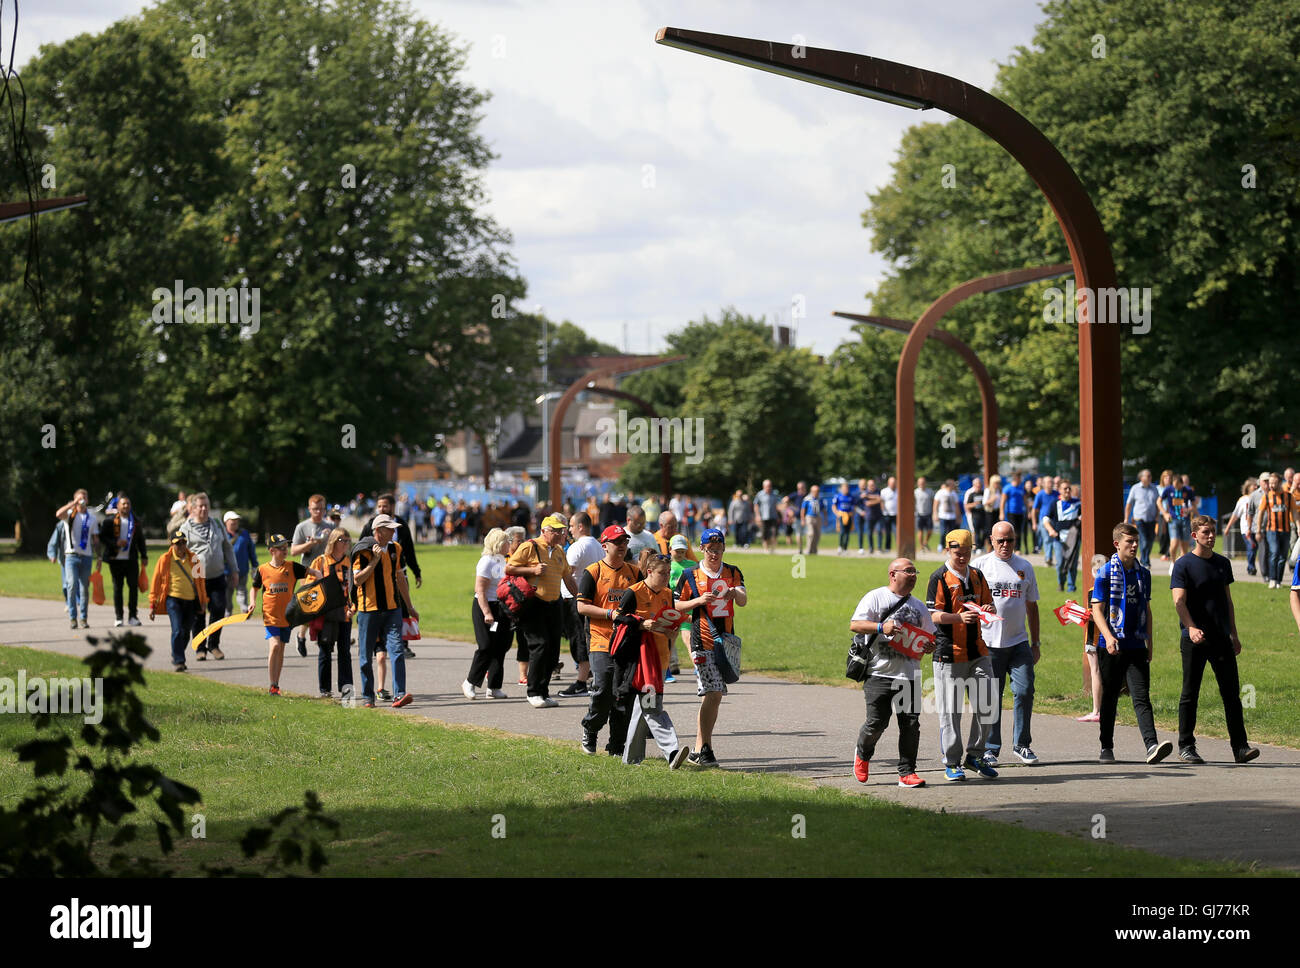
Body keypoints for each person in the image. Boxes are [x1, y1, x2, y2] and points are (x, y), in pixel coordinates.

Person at [1170, 515, 1258, 764]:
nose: (1211, 536)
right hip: (1195, 639)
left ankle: (1240, 748)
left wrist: (1234, 634)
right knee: (1190, 693)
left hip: (1221, 638)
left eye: (1213, 532)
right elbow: (1179, 601)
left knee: (1231, 694)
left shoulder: (1222, 563)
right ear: (1194, 535)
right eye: (1206, 532)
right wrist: (1190, 628)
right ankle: (1186, 746)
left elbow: (1227, 601)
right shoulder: (1183, 564)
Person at [849, 557, 935, 788]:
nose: (913, 574)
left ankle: (907, 773)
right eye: (908, 571)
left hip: (908, 675)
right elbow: (855, 624)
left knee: (910, 724)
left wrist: (929, 646)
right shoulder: (876, 597)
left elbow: (930, 636)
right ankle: (862, 754)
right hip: (878, 673)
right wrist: (881, 627)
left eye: (915, 571)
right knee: (876, 723)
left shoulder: (918, 606)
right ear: (892, 574)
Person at [1091, 522, 1172, 764]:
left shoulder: (1143, 574)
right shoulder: (1105, 573)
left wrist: (1150, 643)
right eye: (1130, 542)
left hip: (1137, 644)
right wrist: (1109, 635)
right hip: (1111, 646)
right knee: (1110, 697)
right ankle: (1106, 747)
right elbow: (1097, 610)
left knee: (1141, 696)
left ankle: (1152, 745)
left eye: (1136, 541)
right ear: (1117, 544)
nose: (1135, 545)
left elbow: (1147, 609)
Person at [615, 554, 707, 768]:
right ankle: (672, 752)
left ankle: (630, 759)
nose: (667, 577)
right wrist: (640, 625)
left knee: (642, 708)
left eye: (668, 573)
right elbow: (618, 621)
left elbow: (674, 617)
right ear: (649, 572)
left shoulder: (667, 594)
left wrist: (679, 624)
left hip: (660, 660)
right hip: (640, 663)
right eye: (662, 573)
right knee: (652, 707)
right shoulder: (633, 592)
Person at [925, 529, 998, 780]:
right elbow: (932, 615)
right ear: (948, 550)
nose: (963, 556)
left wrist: (989, 607)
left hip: (978, 650)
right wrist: (958, 617)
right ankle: (952, 762)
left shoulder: (977, 575)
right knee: (951, 710)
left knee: (988, 704)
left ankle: (975, 756)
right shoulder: (939, 577)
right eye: (958, 552)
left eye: (967, 552)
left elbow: (989, 603)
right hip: (949, 653)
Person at [675, 527, 745, 768]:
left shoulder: (732, 572)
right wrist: (698, 601)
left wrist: (734, 592)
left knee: (714, 696)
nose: (714, 554)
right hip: (701, 640)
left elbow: (744, 600)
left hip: (725, 644)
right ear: (702, 549)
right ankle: (705, 749)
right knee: (713, 692)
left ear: (724, 548)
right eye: (709, 550)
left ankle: (698, 749)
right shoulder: (690, 574)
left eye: (718, 549)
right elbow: (675, 603)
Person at [972, 521, 1041, 766]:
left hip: (1019, 641)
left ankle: (1022, 745)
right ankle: (990, 748)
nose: (1005, 545)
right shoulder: (980, 566)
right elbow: (967, 602)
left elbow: (1032, 608)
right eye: (1000, 540)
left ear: (1015, 540)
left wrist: (1036, 643)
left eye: (1009, 540)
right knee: (992, 697)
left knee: (1024, 690)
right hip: (989, 643)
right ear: (991, 540)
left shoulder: (1024, 567)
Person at [577, 525, 644, 754]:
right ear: (604, 546)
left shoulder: (634, 573)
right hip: (600, 638)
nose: (623, 546)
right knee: (604, 686)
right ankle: (591, 728)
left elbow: (644, 602)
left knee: (623, 692)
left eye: (625, 541)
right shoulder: (593, 572)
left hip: (627, 641)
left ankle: (617, 745)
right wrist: (610, 614)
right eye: (617, 542)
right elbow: (581, 606)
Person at [505, 513, 577, 708]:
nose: (561, 534)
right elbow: (509, 568)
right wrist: (532, 571)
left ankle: (543, 692)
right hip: (534, 603)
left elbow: (568, 579)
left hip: (555, 604)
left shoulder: (560, 551)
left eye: (561, 531)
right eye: (556, 531)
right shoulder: (530, 546)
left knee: (553, 650)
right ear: (545, 532)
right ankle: (533, 691)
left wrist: (580, 598)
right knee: (540, 646)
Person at [351, 514, 418, 708]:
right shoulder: (363, 551)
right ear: (378, 531)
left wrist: (410, 606)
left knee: (396, 650)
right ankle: (368, 697)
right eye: (390, 529)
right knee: (365, 656)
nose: (393, 531)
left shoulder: (396, 548)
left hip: (392, 609)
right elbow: (357, 580)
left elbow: (400, 579)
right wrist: (374, 561)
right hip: (368, 610)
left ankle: (400, 694)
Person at [249, 534, 322, 695]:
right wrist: (252, 602)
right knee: (274, 646)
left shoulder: (292, 567)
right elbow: (254, 588)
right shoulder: (262, 570)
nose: (285, 550)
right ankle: (271, 683)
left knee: (281, 649)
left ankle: (276, 684)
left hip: (287, 616)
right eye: (281, 548)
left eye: (285, 547)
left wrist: (320, 583)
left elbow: (314, 572)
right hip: (270, 616)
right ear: (271, 551)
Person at [362, 492, 424, 656]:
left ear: (392, 507)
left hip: (398, 572)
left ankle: (403, 644)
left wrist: (416, 572)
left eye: (385, 506)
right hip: (376, 574)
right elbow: (360, 548)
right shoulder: (370, 525)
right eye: (380, 506)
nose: (382, 509)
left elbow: (409, 551)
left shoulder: (401, 525)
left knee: (402, 606)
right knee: (381, 607)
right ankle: (379, 644)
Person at [178, 493, 238, 661]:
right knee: (198, 613)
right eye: (200, 506)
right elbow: (179, 555)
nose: (204, 509)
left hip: (218, 576)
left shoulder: (217, 524)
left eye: (206, 506)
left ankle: (213, 645)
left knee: (219, 609)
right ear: (194, 508)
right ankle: (200, 648)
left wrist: (234, 570)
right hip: (197, 579)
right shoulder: (185, 529)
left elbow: (227, 548)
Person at [463, 527, 516, 700]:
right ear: (499, 544)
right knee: (486, 646)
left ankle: (494, 687)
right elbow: (481, 591)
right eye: (507, 541)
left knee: (501, 646)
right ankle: (470, 682)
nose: (509, 544)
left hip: (501, 607)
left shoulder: (503, 560)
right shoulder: (486, 562)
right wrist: (487, 613)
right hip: (485, 607)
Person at [149, 532, 208, 672]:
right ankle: (179, 661)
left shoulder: (194, 559)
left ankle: (176, 652)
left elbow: (200, 582)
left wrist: (203, 600)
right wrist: (152, 604)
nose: (181, 546)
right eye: (177, 543)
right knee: (177, 630)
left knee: (186, 632)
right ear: (172, 544)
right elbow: (156, 582)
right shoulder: (165, 559)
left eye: (183, 542)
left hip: (191, 601)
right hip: (173, 599)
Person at [560, 512, 604, 698]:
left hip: (574, 598)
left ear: (580, 527)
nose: (569, 530)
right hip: (589, 598)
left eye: (571, 525)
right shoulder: (598, 546)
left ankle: (581, 681)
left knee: (578, 639)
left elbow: (566, 572)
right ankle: (589, 677)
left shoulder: (578, 547)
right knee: (586, 638)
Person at [310, 529, 355, 702]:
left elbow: (354, 589)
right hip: (326, 614)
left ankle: (347, 690)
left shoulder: (349, 562)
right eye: (342, 540)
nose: (345, 544)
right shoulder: (321, 561)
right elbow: (309, 587)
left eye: (348, 540)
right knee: (325, 650)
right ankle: (325, 689)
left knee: (345, 651)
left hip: (345, 613)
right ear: (333, 541)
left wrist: (353, 607)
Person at [290, 494, 333, 656]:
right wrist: (311, 543)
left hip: (326, 572)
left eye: (321, 509)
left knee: (327, 607)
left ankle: (324, 638)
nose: (318, 512)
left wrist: (331, 539)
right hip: (307, 573)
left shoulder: (329, 526)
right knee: (310, 608)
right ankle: (301, 636)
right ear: (309, 509)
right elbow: (293, 551)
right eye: (315, 509)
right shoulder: (302, 527)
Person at [97, 492, 147, 627]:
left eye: (128, 504)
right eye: (123, 504)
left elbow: (141, 540)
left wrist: (144, 555)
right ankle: (119, 617)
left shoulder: (135, 521)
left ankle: (133, 616)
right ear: (118, 506)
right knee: (117, 588)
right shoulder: (109, 521)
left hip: (131, 560)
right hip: (115, 560)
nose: (126, 506)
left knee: (133, 588)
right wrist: (115, 543)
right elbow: (102, 537)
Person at [54, 489, 98, 629]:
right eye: (80, 497)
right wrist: (72, 504)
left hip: (86, 556)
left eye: (84, 496)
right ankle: (73, 617)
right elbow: (58, 514)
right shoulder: (70, 515)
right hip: (71, 556)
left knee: (84, 588)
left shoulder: (92, 518)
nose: (82, 499)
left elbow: (95, 539)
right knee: (72, 585)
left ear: (88, 500)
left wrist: (100, 557)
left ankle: (83, 618)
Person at [1076, 555, 1108, 723]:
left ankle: (1096, 710)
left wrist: (1076, 612)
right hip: (1109, 636)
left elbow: (1095, 616)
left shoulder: (1094, 589)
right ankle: (1107, 709)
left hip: (1095, 637)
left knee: (1096, 672)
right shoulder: (1114, 588)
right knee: (1107, 674)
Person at [1255, 473, 1296, 589]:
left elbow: (1294, 513)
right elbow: (1261, 513)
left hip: (1286, 530)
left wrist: (1298, 526)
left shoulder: (1288, 496)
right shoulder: (1267, 496)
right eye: (1270, 483)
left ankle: (1278, 580)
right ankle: (1272, 579)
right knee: (1274, 553)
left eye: (1274, 482)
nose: (1271, 485)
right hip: (1271, 530)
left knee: (1283, 556)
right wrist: (1258, 530)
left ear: (1279, 483)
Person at [1043, 478, 1082, 592]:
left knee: (1072, 565)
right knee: (1060, 563)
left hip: (1074, 539)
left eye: (1069, 488)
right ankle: (1061, 584)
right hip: (1058, 539)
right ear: (1059, 490)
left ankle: (1071, 587)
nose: (1067, 490)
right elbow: (1045, 520)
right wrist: (1051, 530)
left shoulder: (1077, 503)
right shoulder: (1055, 504)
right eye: (1065, 488)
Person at [1124, 469, 1161, 569]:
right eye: (1147, 476)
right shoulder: (1135, 488)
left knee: (1150, 540)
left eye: (1150, 476)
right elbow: (1129, 504)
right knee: (1144, 540)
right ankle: (1145, 561)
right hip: (1139, 519)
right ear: (1141, 477)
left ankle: (1145, 558)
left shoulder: (1154, 488)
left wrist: (1157, 515)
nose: (1150, 478)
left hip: (1151, 519)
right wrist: (1126, 518)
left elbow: (1158, 503)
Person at [224, 511, 258, 615]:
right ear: (226, 522)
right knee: (227, 594)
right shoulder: (222, 534)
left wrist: (254, 566)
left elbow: (251, 550)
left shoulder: (244, 534)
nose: (235, 522)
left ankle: (244, 610)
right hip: (225, 571)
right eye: (232, 520)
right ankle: (227, 611)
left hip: (242, 570)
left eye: (236, 520)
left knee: (242, 591)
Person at [1225, 478, 1258, 576]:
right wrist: (1228, 527)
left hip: (1257, 528)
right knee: (1251, 547)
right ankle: (1251, 567)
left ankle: (1251, 566)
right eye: (1254, 485)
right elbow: (1235, 515)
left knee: (1255, 548)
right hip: (1246, 529)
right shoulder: (1243, 500)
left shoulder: (1259, 497)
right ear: (1248, 487)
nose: (1256, 487)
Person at [1031, 475, 1057, 562]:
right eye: (1049, 482)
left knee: (1055, 539)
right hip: (1043, 520)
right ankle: (1048, 558)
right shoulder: (1040, 495)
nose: (1051, 484)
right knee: (1047, 539)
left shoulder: (1057, 494)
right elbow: (1034, 510)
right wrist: (1034, 523)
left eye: (1052, 482)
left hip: (1054, 520)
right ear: (1044, 484)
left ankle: (1056, 557)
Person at [999, 472, 1027, 552]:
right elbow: (1003, 501)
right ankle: (1013, 548)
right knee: (1013, 531)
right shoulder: (1008, 488)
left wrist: (1028, 510)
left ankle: (1018, 548)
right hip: (1011, 512)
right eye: (1019, 478)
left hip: (1020, 512)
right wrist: (1002, 513)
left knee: (1019, 531)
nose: (1021, 479)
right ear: (1016, 478)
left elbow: (1025, 500)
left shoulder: (1021, 488)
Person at [754, 479, 781, 554]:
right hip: (763, 517)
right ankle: (766, 549)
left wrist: (779, 516)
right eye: (767, 486)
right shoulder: (760, 494)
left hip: (773, 517)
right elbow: (756, 505)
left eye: (770, 486)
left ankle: (772, 549)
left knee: (774, 533)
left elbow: (778, 505)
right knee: (765, 534)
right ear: (764, 486)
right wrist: (757, 515)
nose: (769, 487)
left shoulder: (774, 494)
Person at [933, 479, 960, 552]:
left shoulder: (954, 494)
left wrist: (958, 516)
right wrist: (935, 514)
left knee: (951, 533)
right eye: (953, 485)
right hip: (943, 516)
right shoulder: (940, 492)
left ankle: (949, 546)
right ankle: (941, 545)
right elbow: (935, 504)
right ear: (949, 485)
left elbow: (956, 506)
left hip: (952, 516)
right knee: (943, 532)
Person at [963, 476, 986, 552]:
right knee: (975, 531)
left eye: (980, 484)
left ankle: (981, 546)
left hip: (983, 515)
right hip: (974, 515)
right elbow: (966, 505)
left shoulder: (984, 492)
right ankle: (976, 547)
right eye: (977, 484)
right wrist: (974, 504)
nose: (979, 485)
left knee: (985, 531)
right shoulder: (970, 493)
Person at [860, 478, 883, 553]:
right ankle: (871, 548)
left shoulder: (878, 491)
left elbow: (880, 499)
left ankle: (879, 548)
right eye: (870, 485)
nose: (872, 486)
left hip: (878, 515)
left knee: (879, 531)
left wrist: (869, 496)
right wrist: (876, 499)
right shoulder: (865, 492)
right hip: (869, 516)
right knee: (869, 533)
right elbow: (868, 503)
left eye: (873, 485)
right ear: (868, 486)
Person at [833, 481, 856, 555]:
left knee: (847, 533)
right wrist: (837, 513)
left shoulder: (851, 497)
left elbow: (854, 507)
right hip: (842, 515)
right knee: (842, 532)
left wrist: (853, 514)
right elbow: (833, 506)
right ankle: (840, 547)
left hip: (849, 515)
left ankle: (845, 548)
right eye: (844, 488)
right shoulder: (838, 496)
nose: (846, 489)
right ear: (841, 489)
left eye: (847, 488)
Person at [914, 476, 935, 553]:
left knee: (930, 530)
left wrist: (934, 512)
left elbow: (933, 502)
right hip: (919, 514)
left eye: (923, 482)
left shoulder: (930, 491)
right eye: (920, 482)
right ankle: (922, 547)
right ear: (918, 483)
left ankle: (925, 542)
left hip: (928, 513)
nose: (921, 484)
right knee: (920, 531)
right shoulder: (915, 492)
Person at [800, 484, 822, 556]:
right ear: (812, 491)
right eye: (815, 491)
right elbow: (803, 510)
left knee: (817, 535)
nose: (817, 493)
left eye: (818, 491)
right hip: (809, 517)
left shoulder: (820, 498)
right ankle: (808, 550)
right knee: (811, 533)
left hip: (817, 517)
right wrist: (802, 519)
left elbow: (823, 509)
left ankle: (814, 550)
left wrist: (825, 519)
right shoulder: (807, 498)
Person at [879, 476, 898, 551]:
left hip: (896, 514)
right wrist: (883, 510)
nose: (893, 485)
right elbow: (881, 501)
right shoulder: (884, 491)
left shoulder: (899, 490)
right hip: (887, 514)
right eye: (892, 483)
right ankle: (887, 548)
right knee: (888, 532)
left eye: (894, 483)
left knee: (897, 532)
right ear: (888, 483)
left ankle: (899, 547)